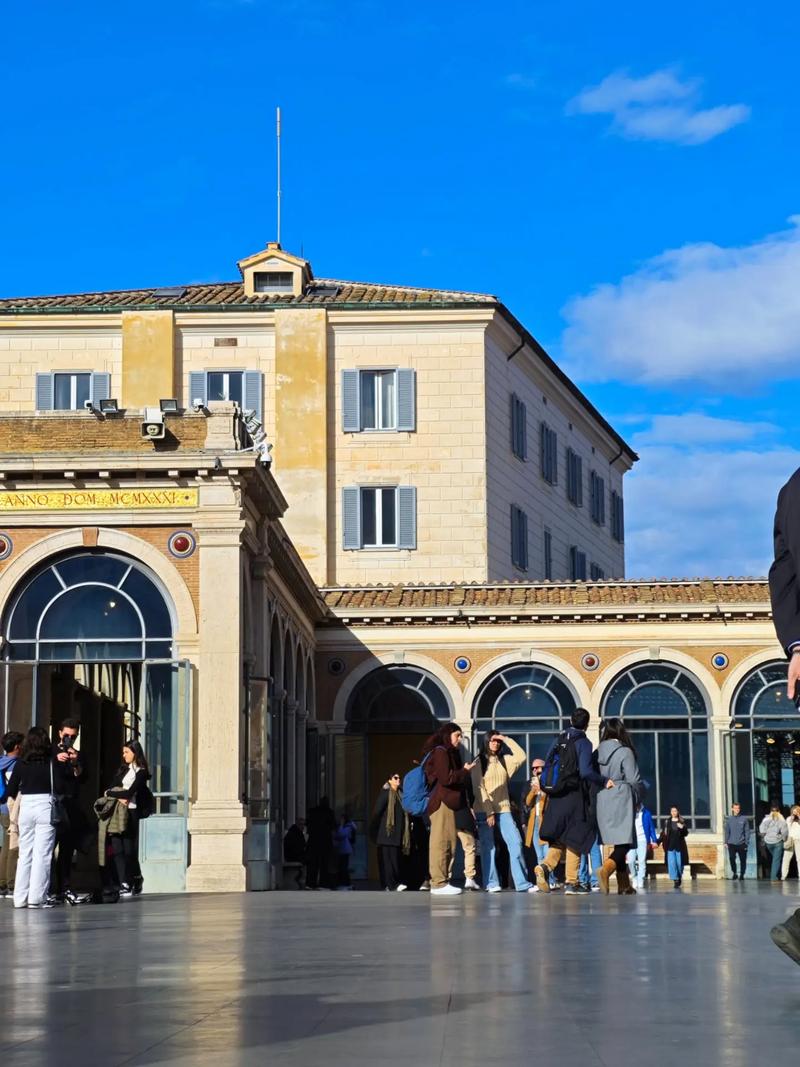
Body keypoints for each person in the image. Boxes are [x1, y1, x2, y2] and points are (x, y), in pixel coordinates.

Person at [536, 707, 609, 895]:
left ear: (570, 720)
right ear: (587, 724)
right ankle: (571, 882)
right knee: (575, 838)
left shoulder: (558, 739)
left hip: (556, 796)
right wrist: (603, 781)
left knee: (560, 837)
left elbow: (548, 764)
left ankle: (544, 867)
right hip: (574, 795)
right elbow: (585, 771)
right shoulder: (584, 743)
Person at [6, 727, 68, 909]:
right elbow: (60, 786)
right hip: (45, 806)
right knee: (43, 854)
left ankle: (19, 898)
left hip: (26, 806)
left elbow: (11, 790)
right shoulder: (51, 763)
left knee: (25, 853)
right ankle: (36, 898)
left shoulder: (21, 763)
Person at [471, 732, 535, 893]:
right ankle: (491, 883)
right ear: (486, 741)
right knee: (489, 847)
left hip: (504, 809)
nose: (496, 743)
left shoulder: (504, 761)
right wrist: (489, 812)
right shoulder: (479, 762)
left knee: (516, 843)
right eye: (493, 740)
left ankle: (522, 883)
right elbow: (478, 789)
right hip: (484, 810)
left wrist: (506, 739)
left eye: (498, 741)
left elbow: (521, 756)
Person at [422, 722, 478, 896]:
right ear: (448, 735)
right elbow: (446, 778)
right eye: (457, 735)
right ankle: (438, 883)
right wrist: (465, 771)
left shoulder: (449, 752)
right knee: (440, 843)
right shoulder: (441, 752)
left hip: (449, 803)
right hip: (441, 802)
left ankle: (443, 881)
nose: (459, 739)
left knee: (449, 843)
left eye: (461, 736)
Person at [595, 718, 643, 894]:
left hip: (602, 796)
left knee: (618, 841)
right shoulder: (625, 751)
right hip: (622, 795)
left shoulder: (597, 752)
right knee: (625, 841)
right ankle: (606, 869)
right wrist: (638, 798)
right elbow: (634, 779)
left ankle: (623, 885)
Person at [105, 739, 150, 897]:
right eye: (123, 752)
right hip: (117, 813)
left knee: (129, 850)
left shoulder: (142, 772)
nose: (124, 755)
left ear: (135, 753)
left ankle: (136, 877)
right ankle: (124, 882)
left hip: (131, 813)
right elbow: (111, 788)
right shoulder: (123, 769)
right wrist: (114, 794)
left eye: (126, 752)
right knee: (117, 848)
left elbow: (129, 793)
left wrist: (112, 794)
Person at [50, 718, 86, 903]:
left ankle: (64, 887)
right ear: (59, 733)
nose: (69, 739)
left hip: (71, 805)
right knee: (48, 848)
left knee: (67, 850)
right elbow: (43, 771)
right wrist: (56, 759)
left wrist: (75, 762)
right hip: (55, 804)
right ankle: (50, 888)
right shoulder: (50, 752)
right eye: (66, 735)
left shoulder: (78, 755)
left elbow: (83, 777)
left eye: (73, 736)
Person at [370, 774, 410, 892]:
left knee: (395, 860)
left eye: (399, 778)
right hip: (387, 833)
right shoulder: (386, 794)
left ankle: (391, 884)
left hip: (397, 834)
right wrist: (376, 829)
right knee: (388, 862)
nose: (398, 780)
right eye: (395, 778)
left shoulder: (401, 794)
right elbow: (377, 812)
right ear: (389, 780)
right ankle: (391, 885)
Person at [525, 759, 558, 890]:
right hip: (535, 822)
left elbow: (551, 800)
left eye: (538, 768)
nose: (535, 770)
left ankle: (552, 880)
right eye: (533, 768)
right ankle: (541, 881)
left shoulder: (549, 783)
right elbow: (527, 802)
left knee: (547, 853)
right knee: (539, 854)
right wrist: (533, 790)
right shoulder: (533, 784)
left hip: (546, 821)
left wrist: (542, 788)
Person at [0, 731, 24, 898]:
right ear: (17, 747)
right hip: (12, 809)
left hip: (2, 808)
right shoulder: (15, 765)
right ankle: (11, 883)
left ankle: (2, 882)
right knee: (13, 846)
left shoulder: (2, 761)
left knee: (6, 845)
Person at [306, 796, 336, 890]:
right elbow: (333, 826)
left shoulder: (312, 812)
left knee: (313, 863)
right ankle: (324, 883)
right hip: (325, 841)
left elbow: (308, 825)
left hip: (313, 841)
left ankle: (310, 883)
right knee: (324, 864)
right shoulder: (329, 812)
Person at [627, 802, 659, 891]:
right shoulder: (629, 812)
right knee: (631, 861)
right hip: (631, 840)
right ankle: (634, 877)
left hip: (643, 840)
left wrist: (654, 840)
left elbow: (651, 827)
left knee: (642, 861)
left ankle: (640, 880)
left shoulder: (646, 813)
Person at [659, 807, 690, 887]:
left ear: (678, 812)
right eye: (672, 811)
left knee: (679, 864)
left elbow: (686, 833)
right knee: (672, 864)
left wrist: (682, 828)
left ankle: (679, 877)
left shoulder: (682, 821)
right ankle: (675, 879)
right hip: (670, 846)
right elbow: (663, 834)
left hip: (679, 846)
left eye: (675, 811)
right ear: (670, 812)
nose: (673, 812)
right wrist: (658, 842)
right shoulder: (667, 822)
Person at [759, 804, 788, 881]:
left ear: (770, 811)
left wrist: (764, 836)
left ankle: (776, 874)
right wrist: (784, 839)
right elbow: (784, 831)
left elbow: (762, 829)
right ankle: (773, 877)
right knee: (776, 860)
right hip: (778, 842)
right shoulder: (781, 819)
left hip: (768, 842)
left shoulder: (766, 819)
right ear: (779, 811)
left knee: (775, 859)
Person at [724, 802, 751, 881]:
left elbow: (747, 831)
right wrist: (725, 842)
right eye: (735, 808)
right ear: (732, 809)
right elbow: (727, 832)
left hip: (742, 843)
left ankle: (742, 874)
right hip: (731, 843)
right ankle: (735, 873)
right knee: (732, 858)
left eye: (738, 808)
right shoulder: (729, 820)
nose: (737, 810)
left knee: (743, 860)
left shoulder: (744, 819)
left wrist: (746, 842)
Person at [333, 813, 357, 890]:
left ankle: (346, 883)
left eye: (342, 819)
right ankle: (342, 883)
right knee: (342, 867)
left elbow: (341, 834)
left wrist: (341, 825)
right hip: (342, 850)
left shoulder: (348, 827)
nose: (340, 820)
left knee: (344, 867)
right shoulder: (346, 827)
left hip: (345, 850)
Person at [283, 817, 307, 888]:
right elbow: (296, 847)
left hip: (294, 855)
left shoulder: (298, 832)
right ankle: (301, 880)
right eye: (301, 824)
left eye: (303, 825)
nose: (303, 827)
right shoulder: (294, 833)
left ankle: (301, 879)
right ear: (297, 824)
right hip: (292, 856)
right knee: (308, 860)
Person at [782, 805, 800, 880]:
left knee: (799, 858)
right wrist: (791, 820)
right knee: (786, 858)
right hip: (790, 839)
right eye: (794, 811)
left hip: (798, 839)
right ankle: (783, 875)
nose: (795, 813)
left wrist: (799, 817)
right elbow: (787, 828)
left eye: (797, 811)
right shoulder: (789, 818)